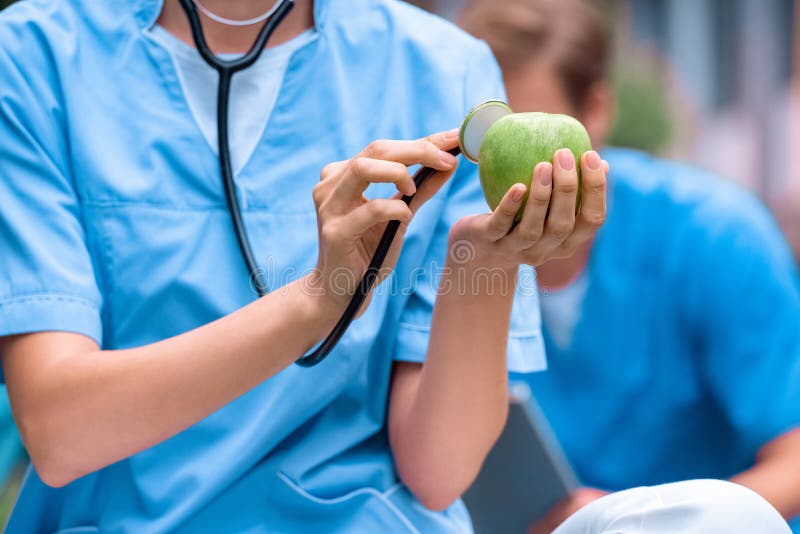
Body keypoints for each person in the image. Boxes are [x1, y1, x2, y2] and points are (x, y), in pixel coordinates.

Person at [0, 0, 611, 531]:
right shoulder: (34, 56)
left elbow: (439, 472)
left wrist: (487, 259)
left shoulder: (444, 67)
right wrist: (319, 299)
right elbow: (62, 434)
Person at [459, 0, 800, 532]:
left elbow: (795, 456)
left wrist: (639, 522)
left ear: (595, 110)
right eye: (488, 143)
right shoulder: (457, 256)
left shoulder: (715, 234)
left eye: (528, 138)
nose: (512, 176)